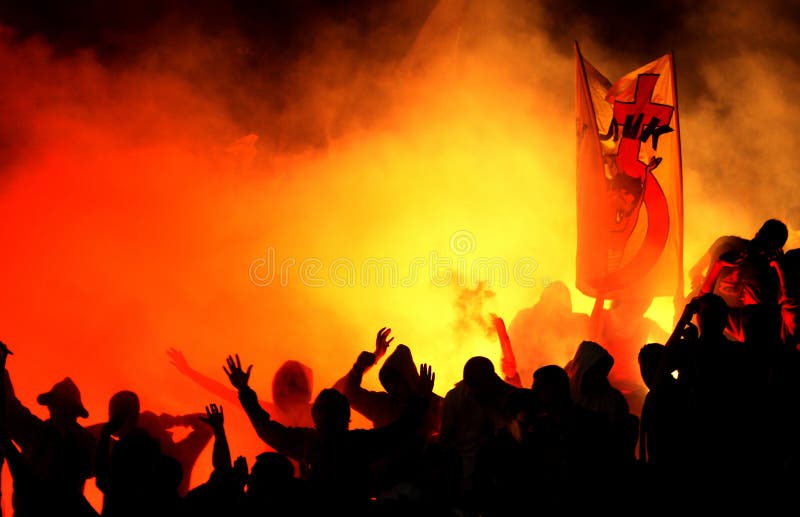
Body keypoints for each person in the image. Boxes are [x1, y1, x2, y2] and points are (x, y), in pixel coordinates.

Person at [224, 353, 435, 515]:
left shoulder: (315, 442)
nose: (326, 415)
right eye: (323, 409)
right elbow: (400, 430)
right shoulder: (352, 442)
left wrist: (245, 391)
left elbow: (267, 430)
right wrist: (420, 400)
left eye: (329, 410)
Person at [0, 345, 97, 516]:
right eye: (55, 404)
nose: (56, 409)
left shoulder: (83, 442)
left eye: (61, 405)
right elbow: (10, 406)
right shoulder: (37, 431)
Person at [167, 348, 314, 428]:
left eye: (292, 384)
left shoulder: (321, 413)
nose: (284, 389)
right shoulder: (267, 412)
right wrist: (189, 372)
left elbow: (224, 392)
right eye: (283, 382)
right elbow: (223, 392)